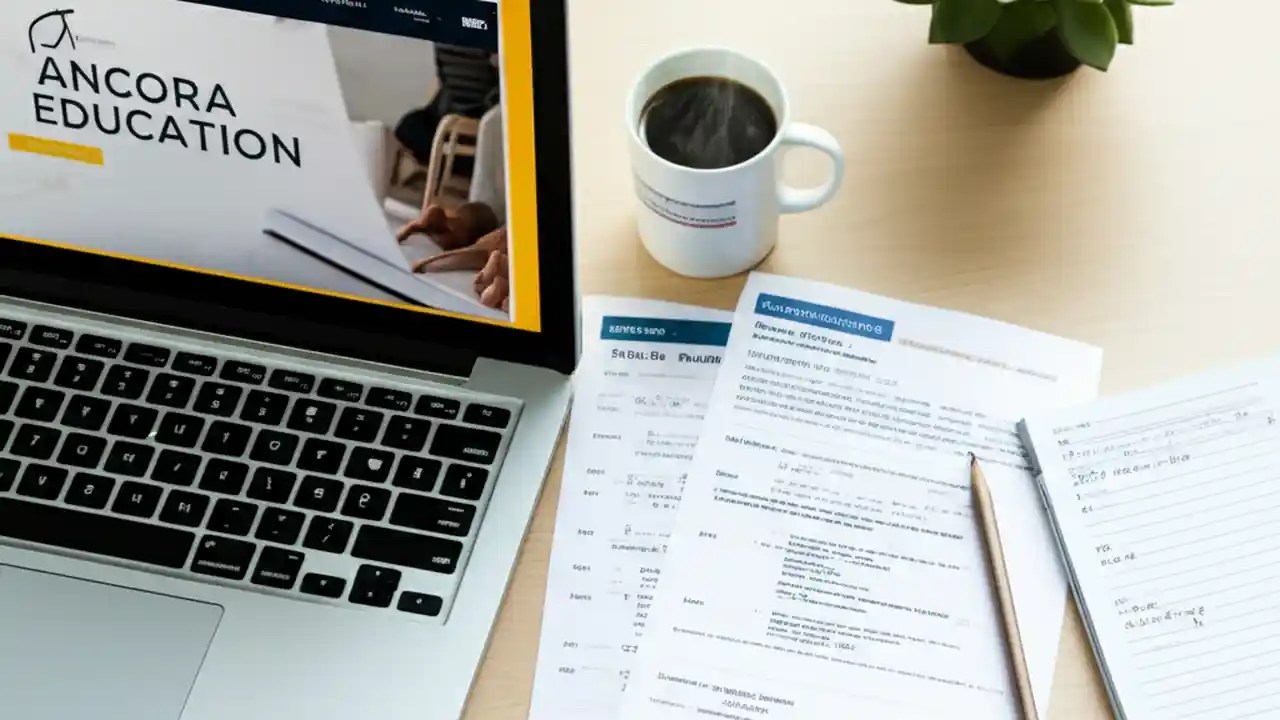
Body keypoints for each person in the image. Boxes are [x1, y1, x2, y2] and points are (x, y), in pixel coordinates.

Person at [394, 43, 500, 176]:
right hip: (450, 112)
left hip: (483, 116)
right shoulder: (443, 42)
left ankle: (474, 166)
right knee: (408, 127)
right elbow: (443, 82)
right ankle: (465, 164)